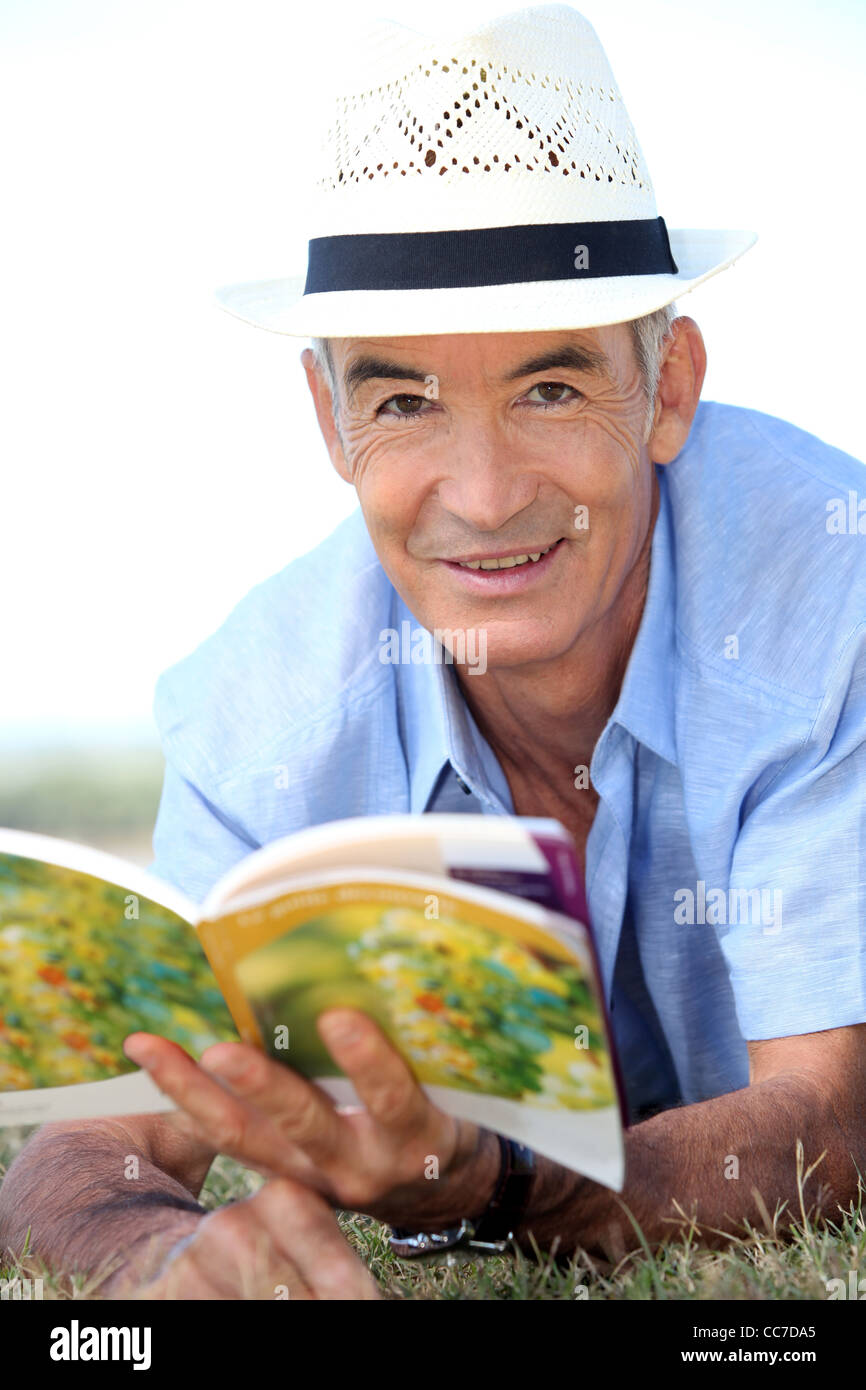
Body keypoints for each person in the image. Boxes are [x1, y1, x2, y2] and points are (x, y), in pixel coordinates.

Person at [2, 4, 864, 1301]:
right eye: (402, 400)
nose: (478, 492)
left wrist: (499, 1189)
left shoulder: (824, 589)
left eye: (550, 388)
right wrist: (152, 1258)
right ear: (328, 419)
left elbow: (827, 1122)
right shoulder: (260, 709)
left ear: (670, 385)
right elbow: (89, 1140)